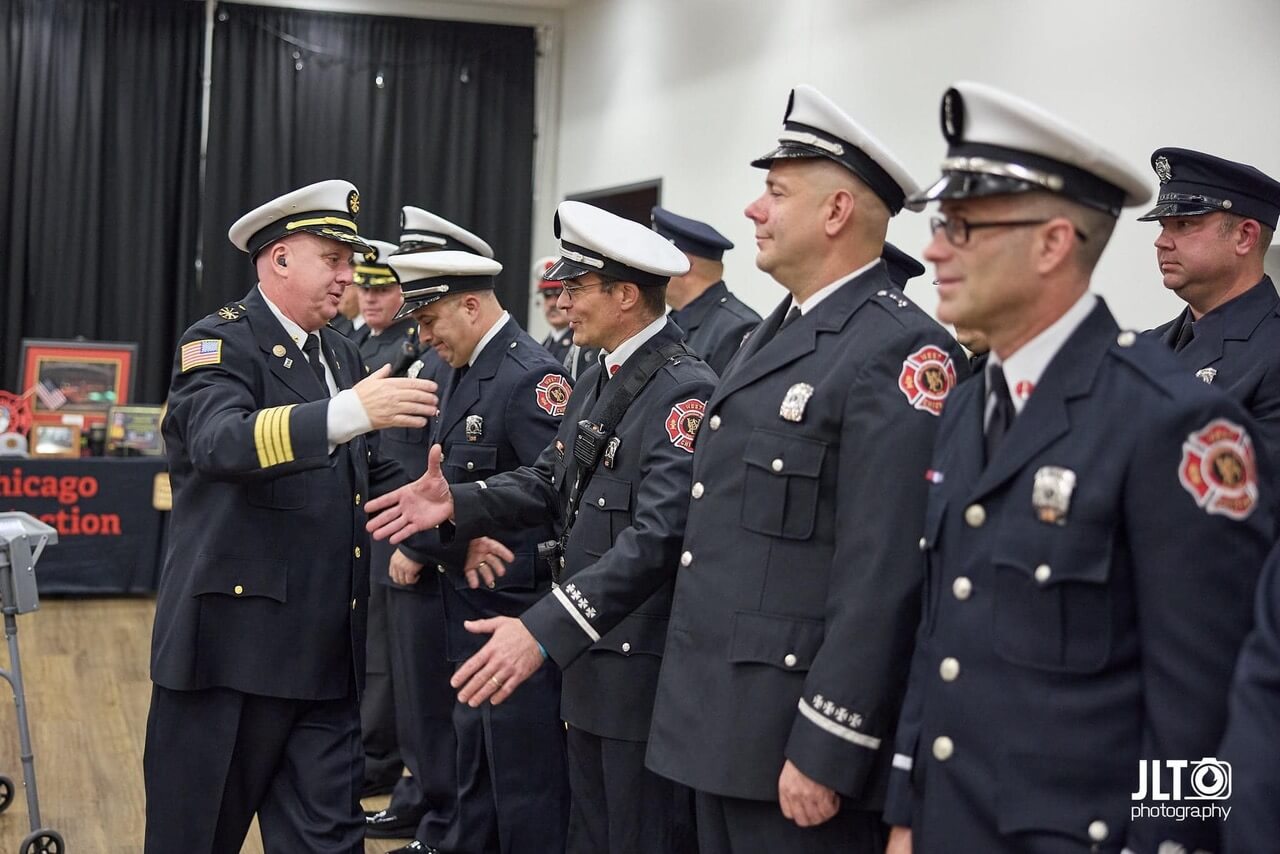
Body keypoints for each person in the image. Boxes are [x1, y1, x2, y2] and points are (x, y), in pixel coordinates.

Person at [882, 82, 1274, 854]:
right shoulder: (969, 404)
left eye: (961, 226)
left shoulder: (1173, 424)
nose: (932, 250)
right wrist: (905, 812)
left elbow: (1202, 709)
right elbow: (944, 633)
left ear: (1053, 243)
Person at [640, 84, 968, 854]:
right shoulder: (773, 332)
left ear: (836, 212)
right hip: (722, 720)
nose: (753, 209)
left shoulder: (898, 350)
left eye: (777, 192)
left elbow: (883, 569)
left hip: (793, 740)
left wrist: (827, 742)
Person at [365, 199, 717, 854]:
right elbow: (550, 478)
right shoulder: (601, 378)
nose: (563, 301)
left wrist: (545, 626)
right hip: (590, 659)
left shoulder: (682, 391)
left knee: (634, 834)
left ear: (625, 295)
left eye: (577, 288)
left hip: (634, 665)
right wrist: (457, 502)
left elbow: (659, 536)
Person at [143, 179, 441, 853]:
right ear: (279, 259)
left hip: (325, 661)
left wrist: (445, 520)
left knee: (330, 843)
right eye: (332, 259)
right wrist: (345, 413)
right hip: (230, 661)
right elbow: (219, 443)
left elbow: (368, 474)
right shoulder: (219, 342)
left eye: (349, 261)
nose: (347, 277)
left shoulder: (341, 352)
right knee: (195, 839)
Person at [381, 250, 572, 854]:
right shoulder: (462, 367)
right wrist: (459, 538)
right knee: (476, 768)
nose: (423, 336)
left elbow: (558, 498)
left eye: (430, 318)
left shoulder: (531, 378)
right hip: (466, 602)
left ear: (470, 305)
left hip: (514, 609)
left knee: (520, 782)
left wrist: (482, 531)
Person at [364, 205, 496, 841]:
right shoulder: (430, 354)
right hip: (412, 537)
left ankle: (442, 814)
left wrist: (420, 545)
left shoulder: (474, 361)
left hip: (444, 552)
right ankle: (425, 797)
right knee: (416, 697)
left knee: (441, 702)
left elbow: (465, 471)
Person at [1140, 148, 1280, 463]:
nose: (1161, 241)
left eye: (1183, 225)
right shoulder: (1146, 348)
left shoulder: (1272, 353)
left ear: (1245, 236)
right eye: (1162, 226)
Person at [353, 237, 419, 801]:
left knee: (385, 650)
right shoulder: (357, 342)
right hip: (367, 511)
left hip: (398, 511)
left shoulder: (410, 349)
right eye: (364, 288)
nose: (370, 299)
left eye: (382, 290)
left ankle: (377, 759)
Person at [654, 205, 761, 374]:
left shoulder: (737, 328)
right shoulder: (671, 320)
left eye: (659, 262)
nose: (652, 271)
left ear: (685, 266)